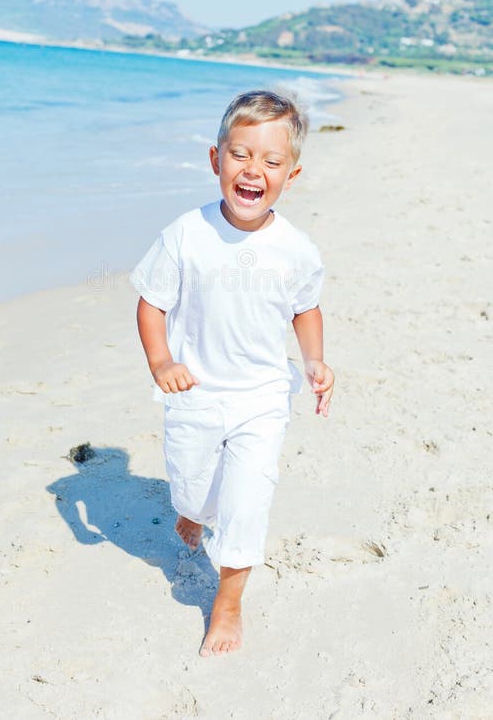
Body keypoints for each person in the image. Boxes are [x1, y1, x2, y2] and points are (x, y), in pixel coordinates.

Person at [130, 90, 334, 657]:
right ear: (215, 158)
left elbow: (305, 308)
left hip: (263, 397)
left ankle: (228, 602)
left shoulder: (296, 249)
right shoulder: (185, 234)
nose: (254, 171)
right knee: (193, 491)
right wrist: (162, 362)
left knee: (248, 499)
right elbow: (151, 302)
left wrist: (314, 359)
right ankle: (194, 515)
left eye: (271, 162)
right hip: (194, 391)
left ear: (290, 176)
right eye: (241, 155)